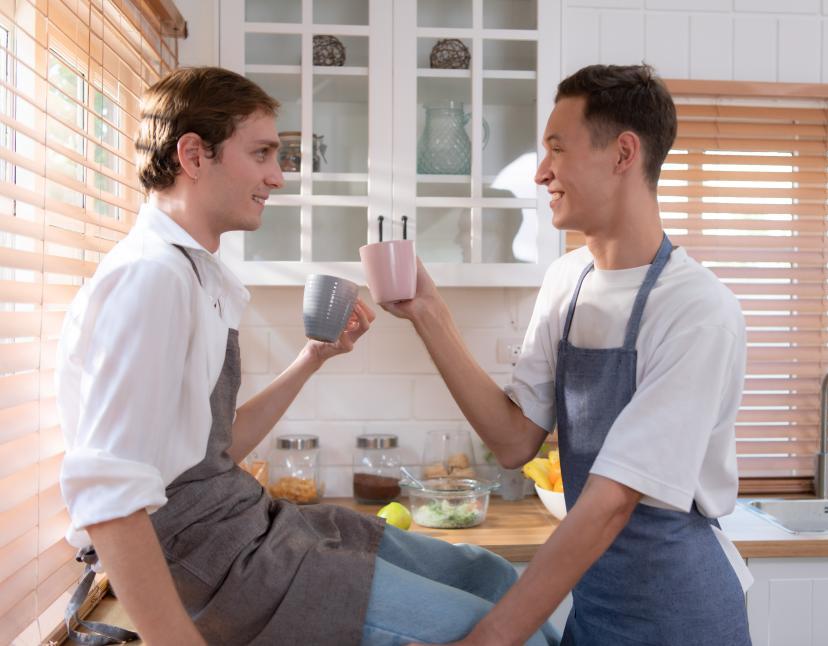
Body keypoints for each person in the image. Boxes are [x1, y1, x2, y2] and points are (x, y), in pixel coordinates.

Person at [56, 66, 559, 646]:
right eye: (263, 153)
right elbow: (107, 494)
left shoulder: (194, 272)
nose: (278, 177)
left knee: (494, 576)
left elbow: (209, 453)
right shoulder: (151, 278)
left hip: (249, 528)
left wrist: (313, 357)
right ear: (194, 156)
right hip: (216, 568)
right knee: (493, 631)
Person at [385, 64, 753, 645]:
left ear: (623, 153)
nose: (541, 172)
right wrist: (429, 316)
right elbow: (513, 441)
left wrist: (490, 639)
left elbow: (612, 502)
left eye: (558, 148)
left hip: (680, 616)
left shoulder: (698, 310)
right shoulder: (567, 281)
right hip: (597, 606)